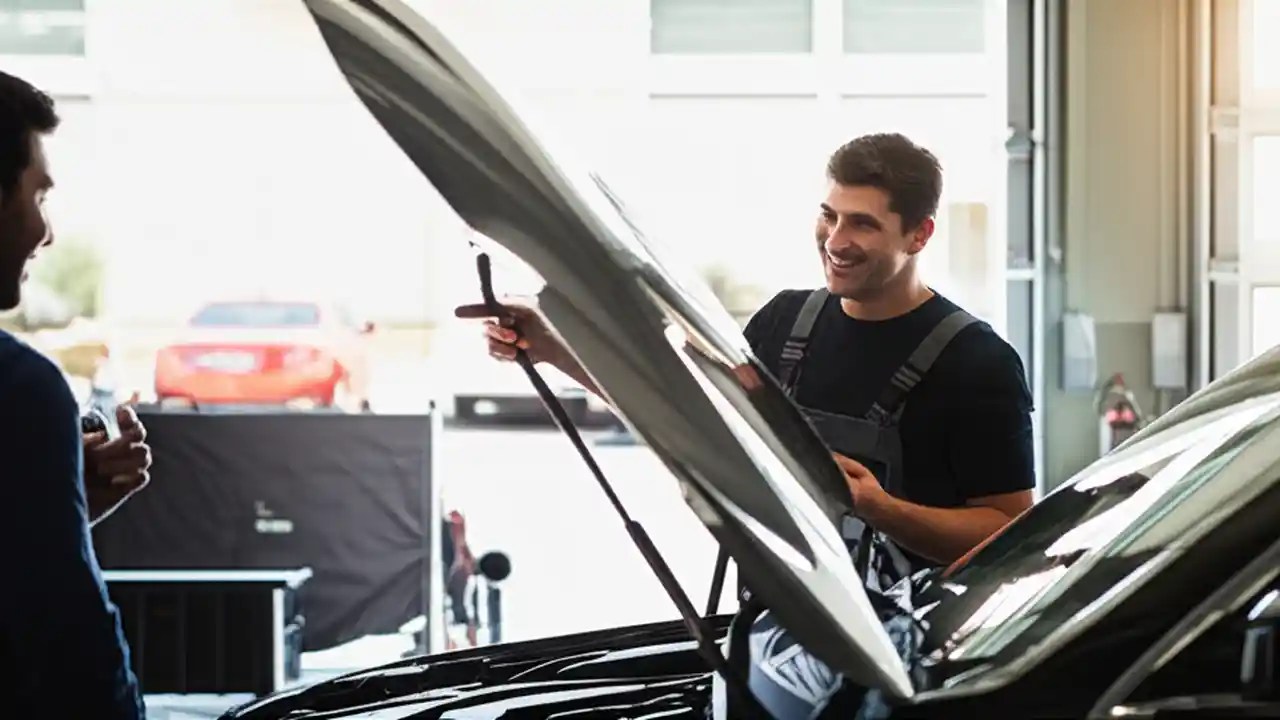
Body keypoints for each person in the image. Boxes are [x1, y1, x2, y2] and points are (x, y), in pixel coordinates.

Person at [457, 133, 1035, 570]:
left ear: (919, 235)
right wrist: (552, 346)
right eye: (828, 215)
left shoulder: (977, 363)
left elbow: (1012, 530)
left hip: (918, 655)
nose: (835, 241)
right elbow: (683, 404)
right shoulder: (785, 322)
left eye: (862, 224)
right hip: (778, 632)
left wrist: (880, 508)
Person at [1, 69, 152, 719]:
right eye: (38, 195)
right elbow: (76, 662)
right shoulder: (20, 390)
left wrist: (55, 503)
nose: (46, 232)